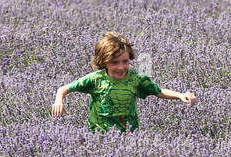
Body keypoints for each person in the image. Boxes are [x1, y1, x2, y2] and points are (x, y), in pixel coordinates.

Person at [52, 32, 196, 131]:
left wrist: (180, 95)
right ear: (104, 62)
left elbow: (158, 91)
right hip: (98, 135)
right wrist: (59, 101)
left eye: (125, 61)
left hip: (129, 134)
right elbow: (64, 88)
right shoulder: (96, 79)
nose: (121, 67)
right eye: (115, 62)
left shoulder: (135, 78)